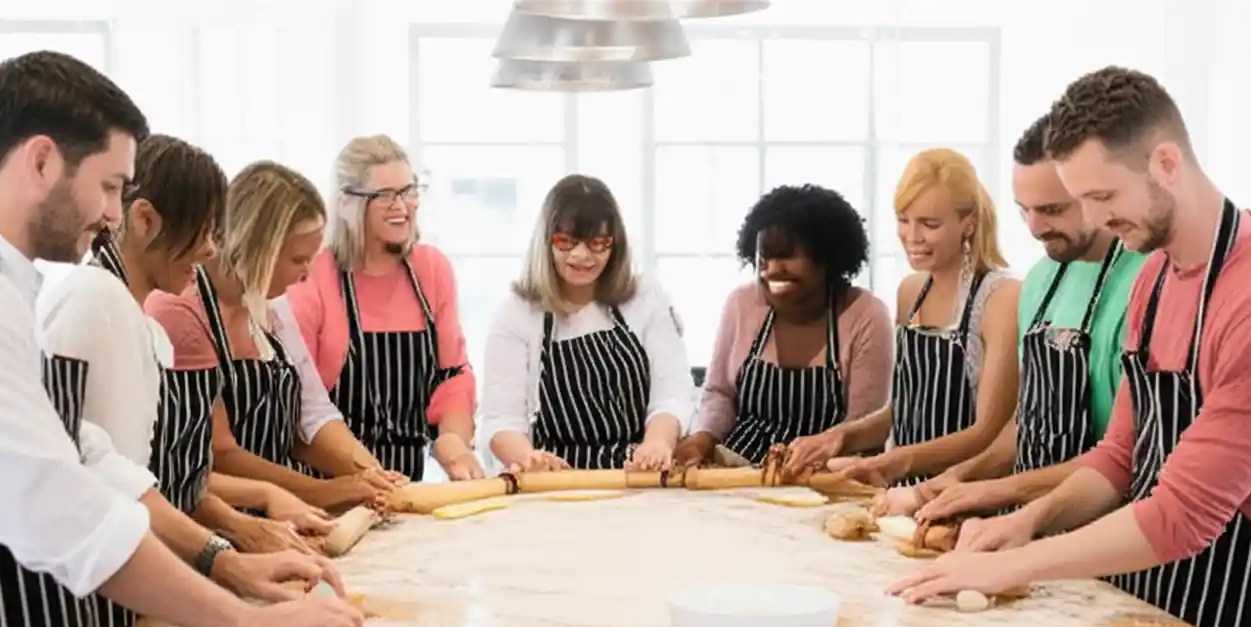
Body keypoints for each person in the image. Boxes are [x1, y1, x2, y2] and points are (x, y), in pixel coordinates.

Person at [0, 50, 362, 627]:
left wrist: (225, 560)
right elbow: (56, 501)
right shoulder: (58, 301)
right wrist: (245, 623)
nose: (113, 213)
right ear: (43, 161)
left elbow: (90, 458)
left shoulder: (18, 295)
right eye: (109, 186)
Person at [889, 66, 1251, 627]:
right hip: (1154, 588)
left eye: (1102, 197)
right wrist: (1026, 521)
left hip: (1250, 605)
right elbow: (1122, 455)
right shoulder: (1153, 277)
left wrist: (1012, 565)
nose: (1094, 222)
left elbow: (1185, 514)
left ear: (1167, 164)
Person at [35, 134, 345, 627]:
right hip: (78, 597)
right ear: (145, 221)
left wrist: (227, 556)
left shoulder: (123, 309)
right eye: (203, 231)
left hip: (126, 575)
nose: (208, 250)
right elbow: (103, 492)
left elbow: (127, 478)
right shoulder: (94, 300)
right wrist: (228, 566)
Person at [884, 114, 1145, 520]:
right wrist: (952, 481)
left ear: (1099, 193)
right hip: (1030, 524)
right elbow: (1023, 426)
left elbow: (1121, 457)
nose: (1036, 228)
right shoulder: (1042, 279)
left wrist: (992, 493)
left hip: (1104, 526)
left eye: (1053, 209)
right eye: (1025, 211)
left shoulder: (1146, 284)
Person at [147, 161, 404, 512]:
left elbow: (311, 415)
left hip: (286, 510)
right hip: (223, 516)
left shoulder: (272, 306)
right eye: (298, 260)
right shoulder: (183, 313)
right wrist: (319, 491)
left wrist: (371, 474)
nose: (306, 276)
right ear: (256, 248)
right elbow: (218, 455)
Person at [788, 149, 1021, 486]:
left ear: (968, 223)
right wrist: (840, 437)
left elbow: (988, 432)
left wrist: (894, 461)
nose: (912, 236)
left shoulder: (1001, 297)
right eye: (903, 219)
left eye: (929, 224)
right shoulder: (911, 291)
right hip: (900, 491)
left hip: (965, 497)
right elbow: (905, 408)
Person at [284, 135, 481, 482]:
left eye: (409, 191)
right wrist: (367, 476)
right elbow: (304, 406)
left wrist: (453, 444)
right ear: (346, 202)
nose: (402, 207)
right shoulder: (312, 276)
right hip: (326, 485)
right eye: (385, 196)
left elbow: (452, 376)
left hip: (406, 483)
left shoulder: (431, 269)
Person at [480, 174, 694, 471]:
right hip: (554, 484)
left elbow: (673, 394)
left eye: (597, 243)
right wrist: (529, 459)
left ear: (615, 244)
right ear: (546, 240)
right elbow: (500, 420)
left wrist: (658, 442)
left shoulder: (645, 298)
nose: (582, 255)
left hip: (635, 478)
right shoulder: (516, 313)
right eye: (566, 241)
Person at [671, 184, 894, 468]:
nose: (771, 270)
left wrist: (814, 465)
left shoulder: (866, 316)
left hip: (823, 476)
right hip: (734, 469)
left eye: (786, 257)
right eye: (763, 259)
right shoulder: (741, 304)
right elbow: (721, 394)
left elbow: (862, 430)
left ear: (827, 259)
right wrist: (700, 440)